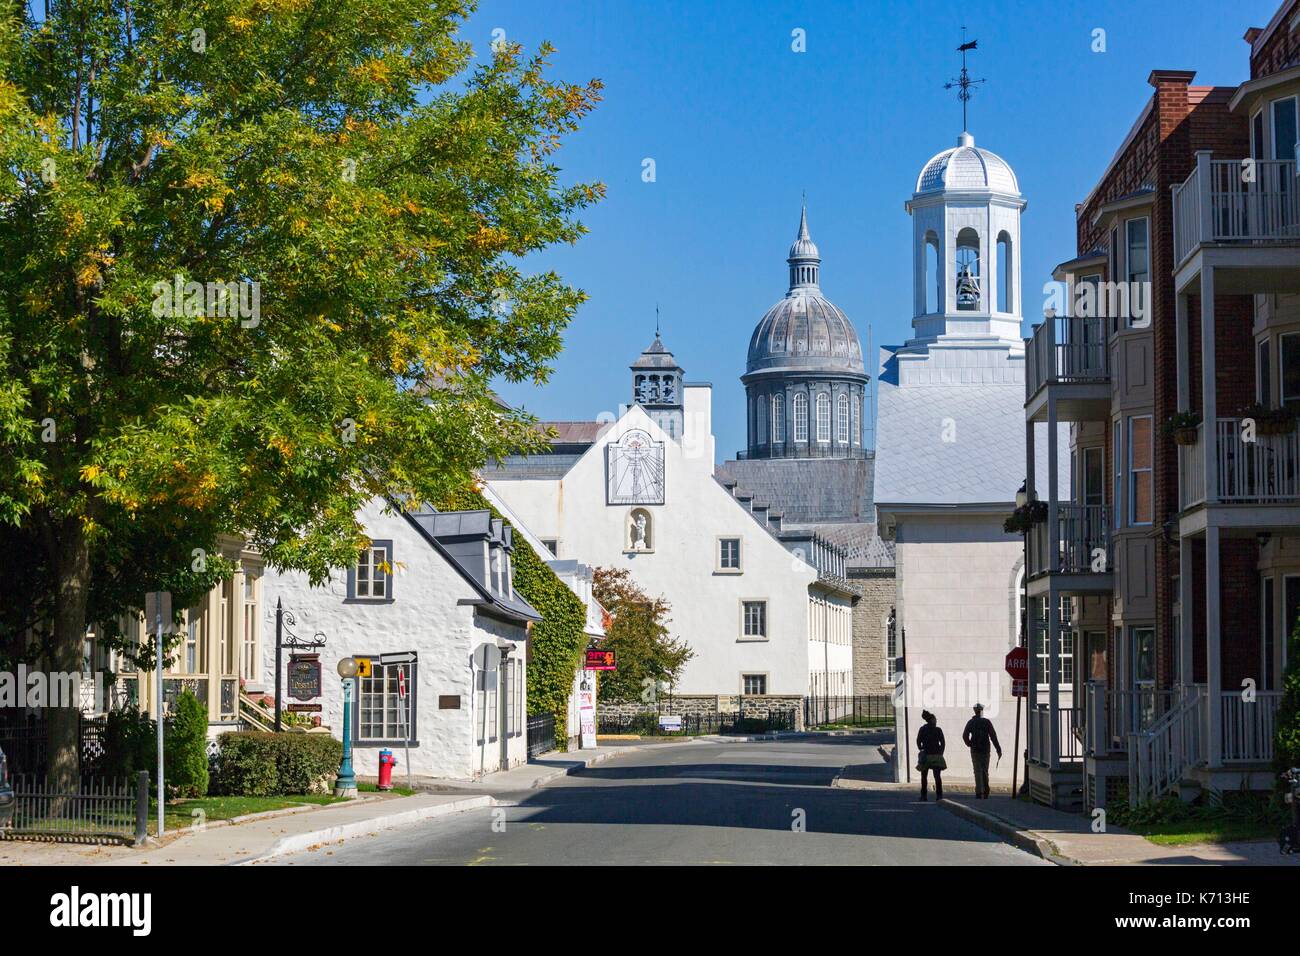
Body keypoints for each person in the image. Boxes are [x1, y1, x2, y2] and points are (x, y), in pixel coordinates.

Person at [962, 703, 1002, 799]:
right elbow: (993, 736)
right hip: (985, 749)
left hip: (975, 750)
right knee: (985, 770)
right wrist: (998, 749)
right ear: (981, 711)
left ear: (975, 711)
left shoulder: (971, 722)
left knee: (977, 771)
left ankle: (979, 792)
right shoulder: (987, 722)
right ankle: (986, 791)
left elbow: (964, 735)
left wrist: (970, 744)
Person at [915, 710, 945, 802]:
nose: (936, 721)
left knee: (924, 776)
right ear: (931, 720)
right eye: (935, 719)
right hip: (936, 755)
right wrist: (941, 752)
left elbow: (918, 741)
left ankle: (923, 796)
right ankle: (939, 795)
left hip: (926, 755)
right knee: (937, 776)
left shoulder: (922, 729)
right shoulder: (938, 730)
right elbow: (943, 742)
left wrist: (921, 748)